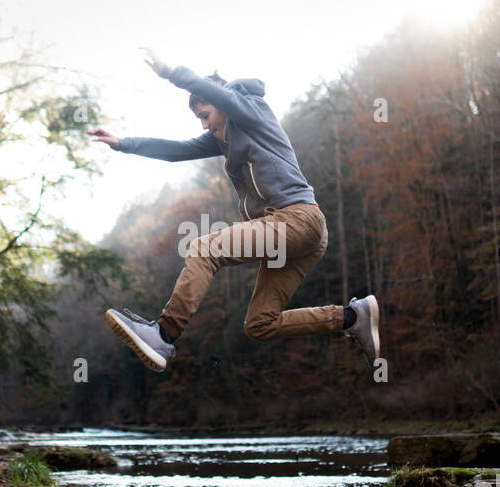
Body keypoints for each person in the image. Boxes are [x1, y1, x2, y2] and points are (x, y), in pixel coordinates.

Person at [87, 47, 379, 373]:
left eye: (205, 115)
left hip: (298, 219)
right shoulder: (221, 139)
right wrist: (122, 143)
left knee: (204, 248)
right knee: (260, 324)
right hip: (300, 236)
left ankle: (164, 335)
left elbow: (217, 94)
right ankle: (352, 317)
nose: (203, 125)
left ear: (223, 103)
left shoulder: (251, 111)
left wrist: (170, 72)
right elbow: (175, 151)